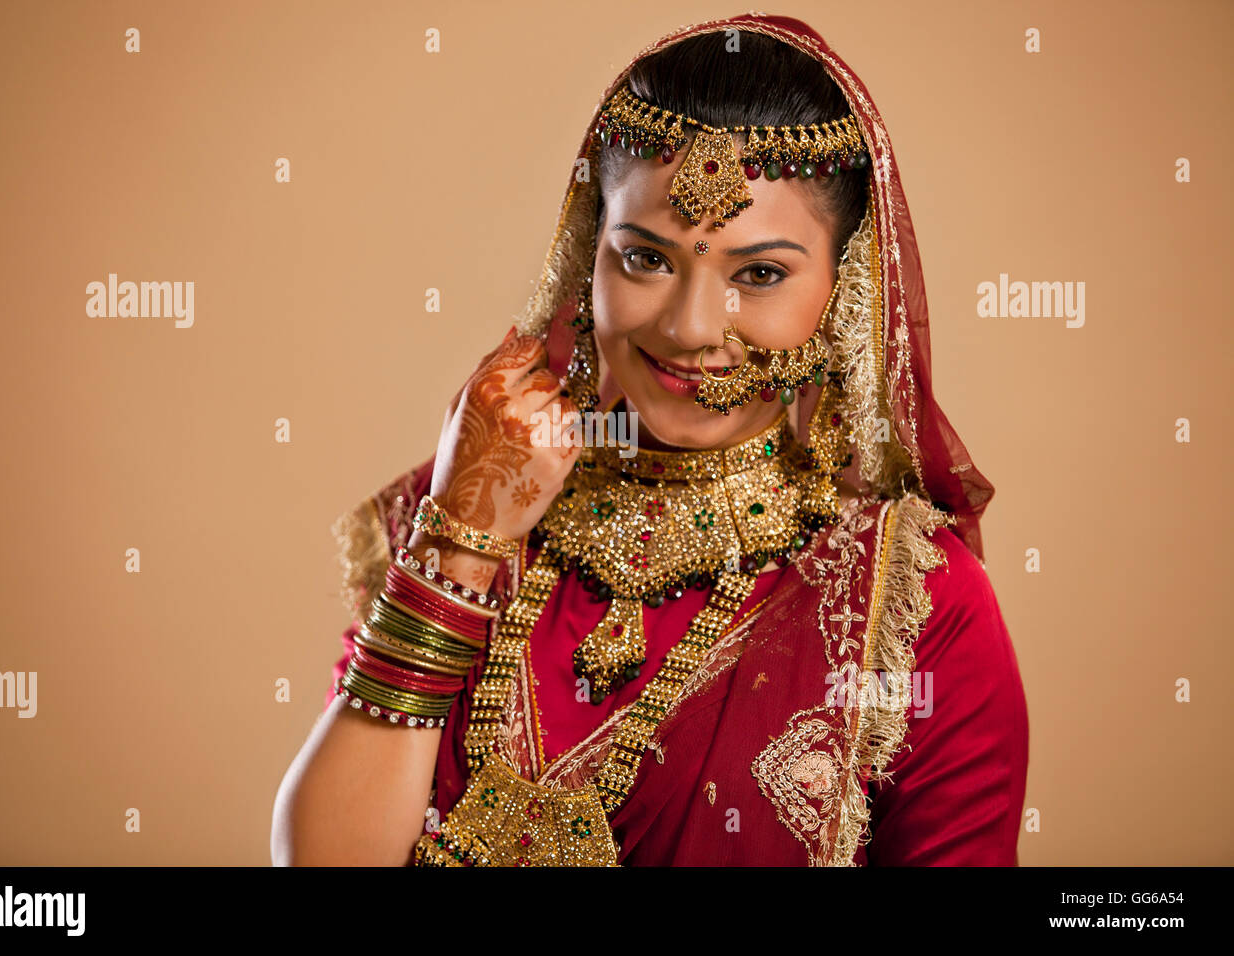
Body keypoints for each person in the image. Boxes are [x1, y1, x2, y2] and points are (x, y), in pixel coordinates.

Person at [271, 11, 1029, 867]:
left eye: (760, 274)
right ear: (587, 251)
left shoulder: (911, 604)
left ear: (845, 288)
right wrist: (460, 542)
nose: (690, 326)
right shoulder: (464, 508)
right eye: (645, 259)